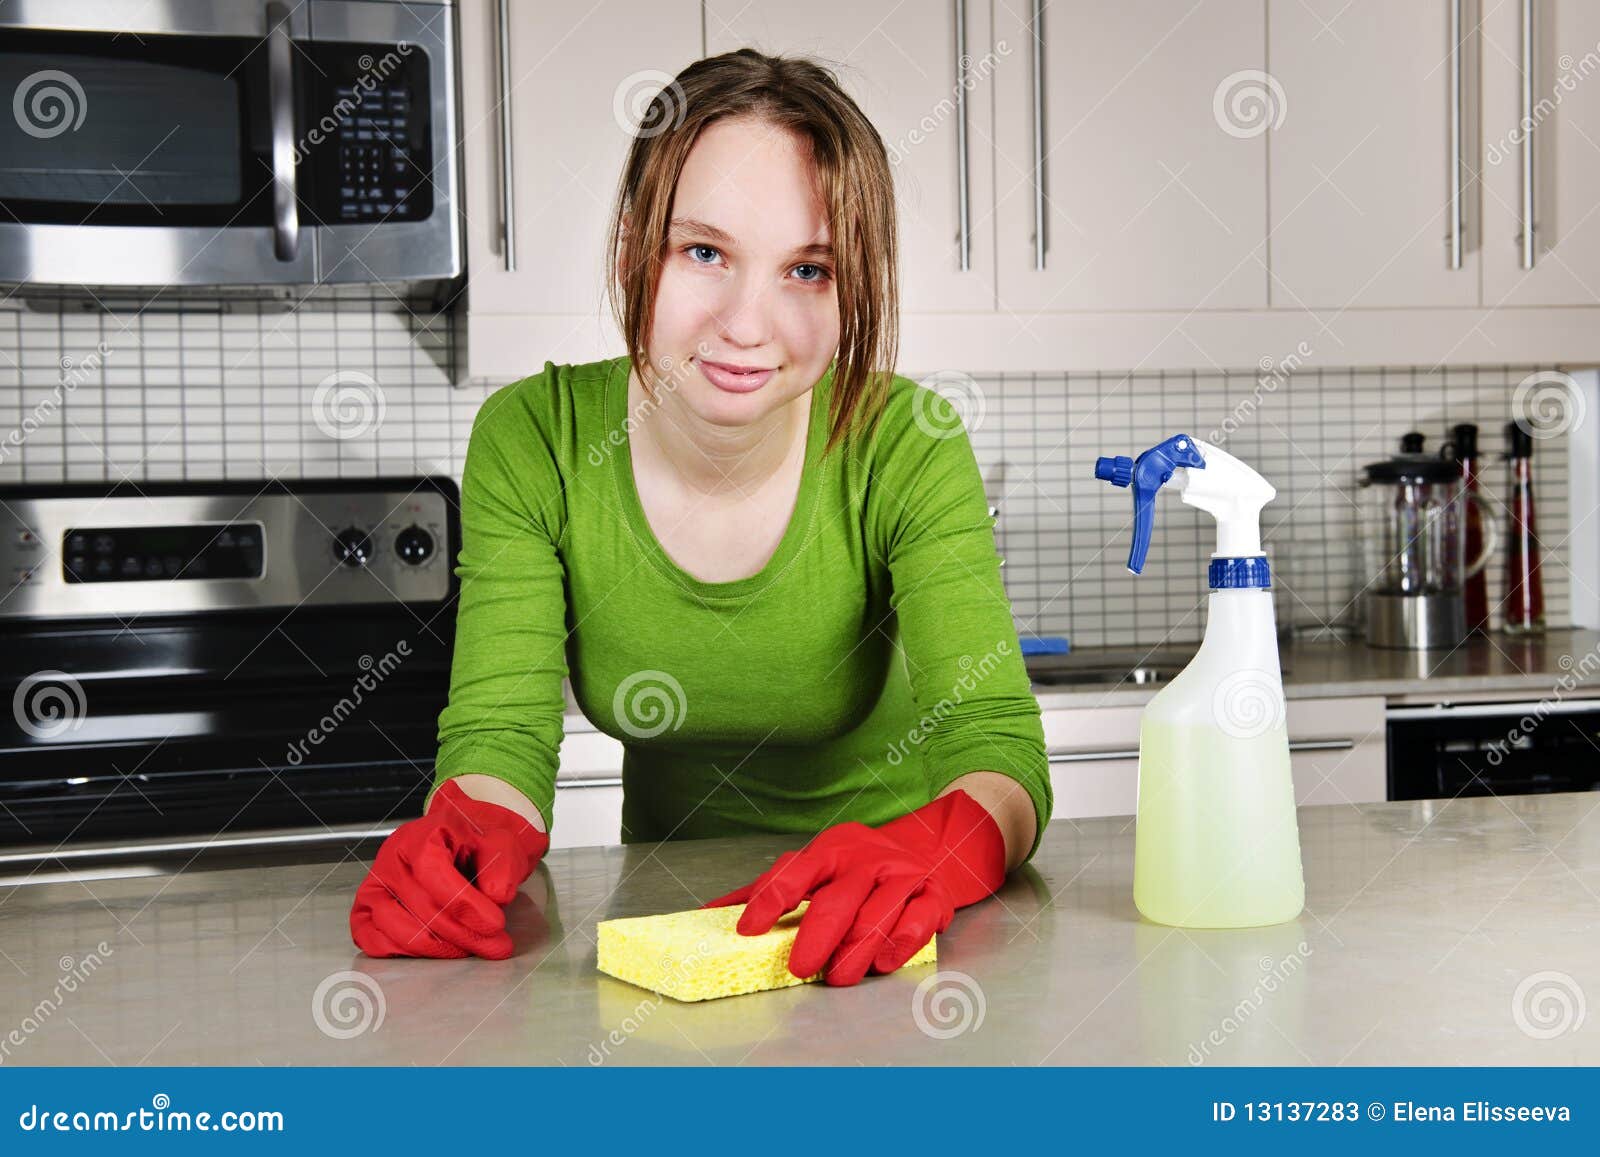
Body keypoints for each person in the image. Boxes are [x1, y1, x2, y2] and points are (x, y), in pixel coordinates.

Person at [350, 48, 1052, 987]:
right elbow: (501, 736)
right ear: (639, 240)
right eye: (705, 252)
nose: (746, 323)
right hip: (666, 935)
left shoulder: (907, 444)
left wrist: (938, 850)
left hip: (896, 936)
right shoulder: (537, 440)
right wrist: (468, 838)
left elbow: (995, 742)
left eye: (808, 270)